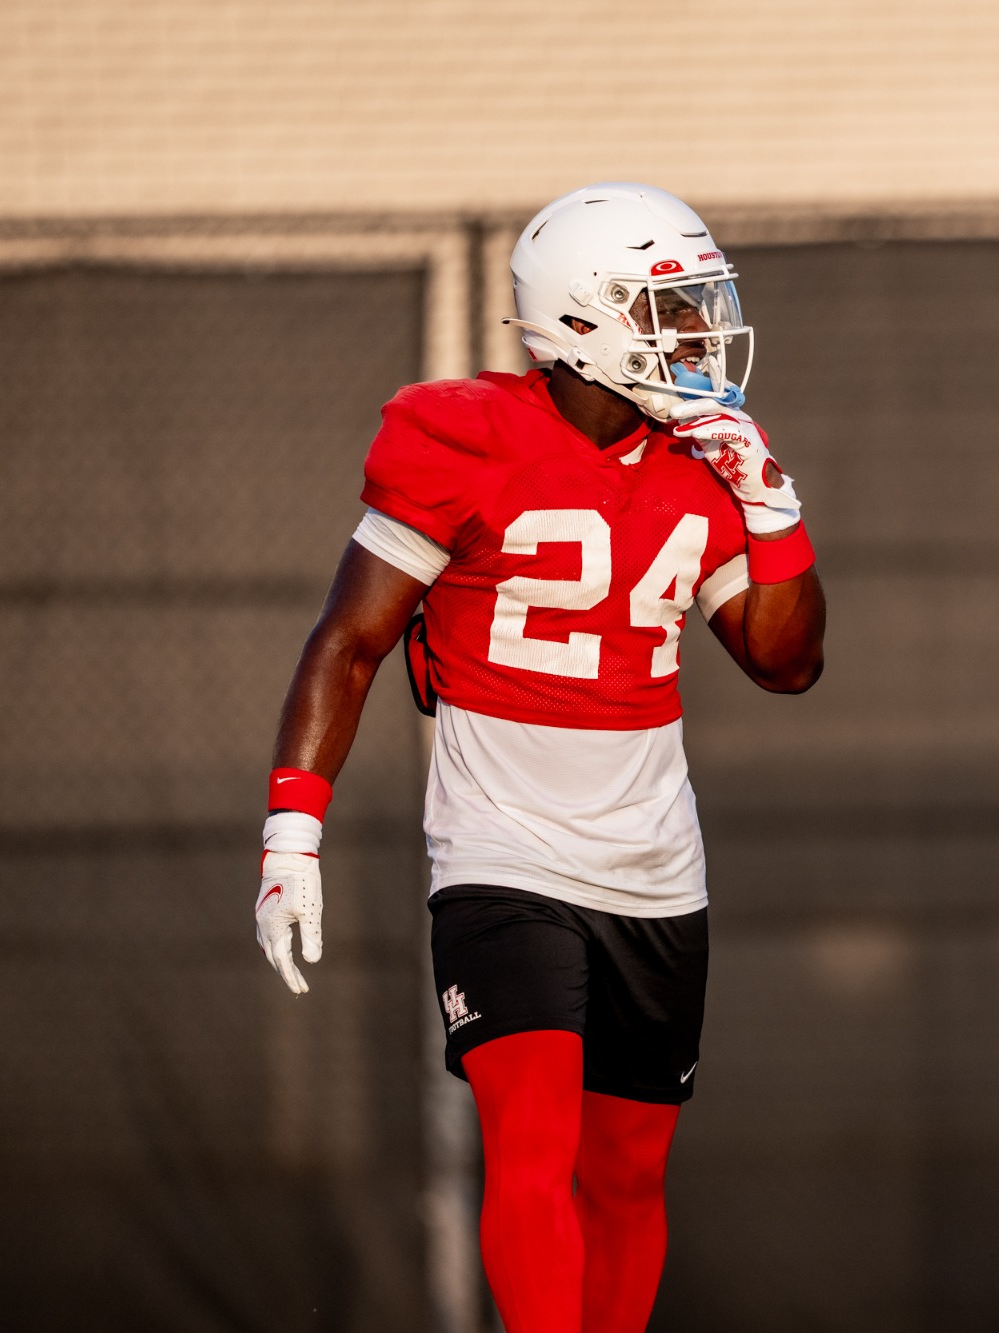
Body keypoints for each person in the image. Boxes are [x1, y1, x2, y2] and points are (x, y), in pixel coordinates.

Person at [251, 182, 826, 1333]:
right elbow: (350, 640)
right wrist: (290, 832)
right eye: (668, 307)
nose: (696, 334)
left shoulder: (701, 456)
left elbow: (785, 661)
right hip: (502, 853)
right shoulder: (461, 435)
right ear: (581, 319)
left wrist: (772, 508)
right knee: (531, 1145)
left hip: (654, 864)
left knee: (626, 1175)